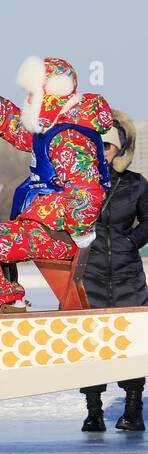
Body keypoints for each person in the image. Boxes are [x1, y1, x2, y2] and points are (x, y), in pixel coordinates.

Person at [0, 56, 113, 312]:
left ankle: (9, 304)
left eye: (31, 93)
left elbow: (86, 189)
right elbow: (19, 130)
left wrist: (79, 232)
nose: (28, 99)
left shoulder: (68, 137)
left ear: (49, 94)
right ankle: (9, 303)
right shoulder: (56, 128)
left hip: (56, 233)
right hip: (46, 226)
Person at [79, 112, 148, 431]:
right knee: (90, 341)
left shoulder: (135, 184)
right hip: (88, 271)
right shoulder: (78, 185)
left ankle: (133, 408)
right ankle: (93, 410)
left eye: (107, 145)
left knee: (131, 340)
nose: (102, 151)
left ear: (119, 149)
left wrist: (130, 242)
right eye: (97, 144)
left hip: (126, 273)